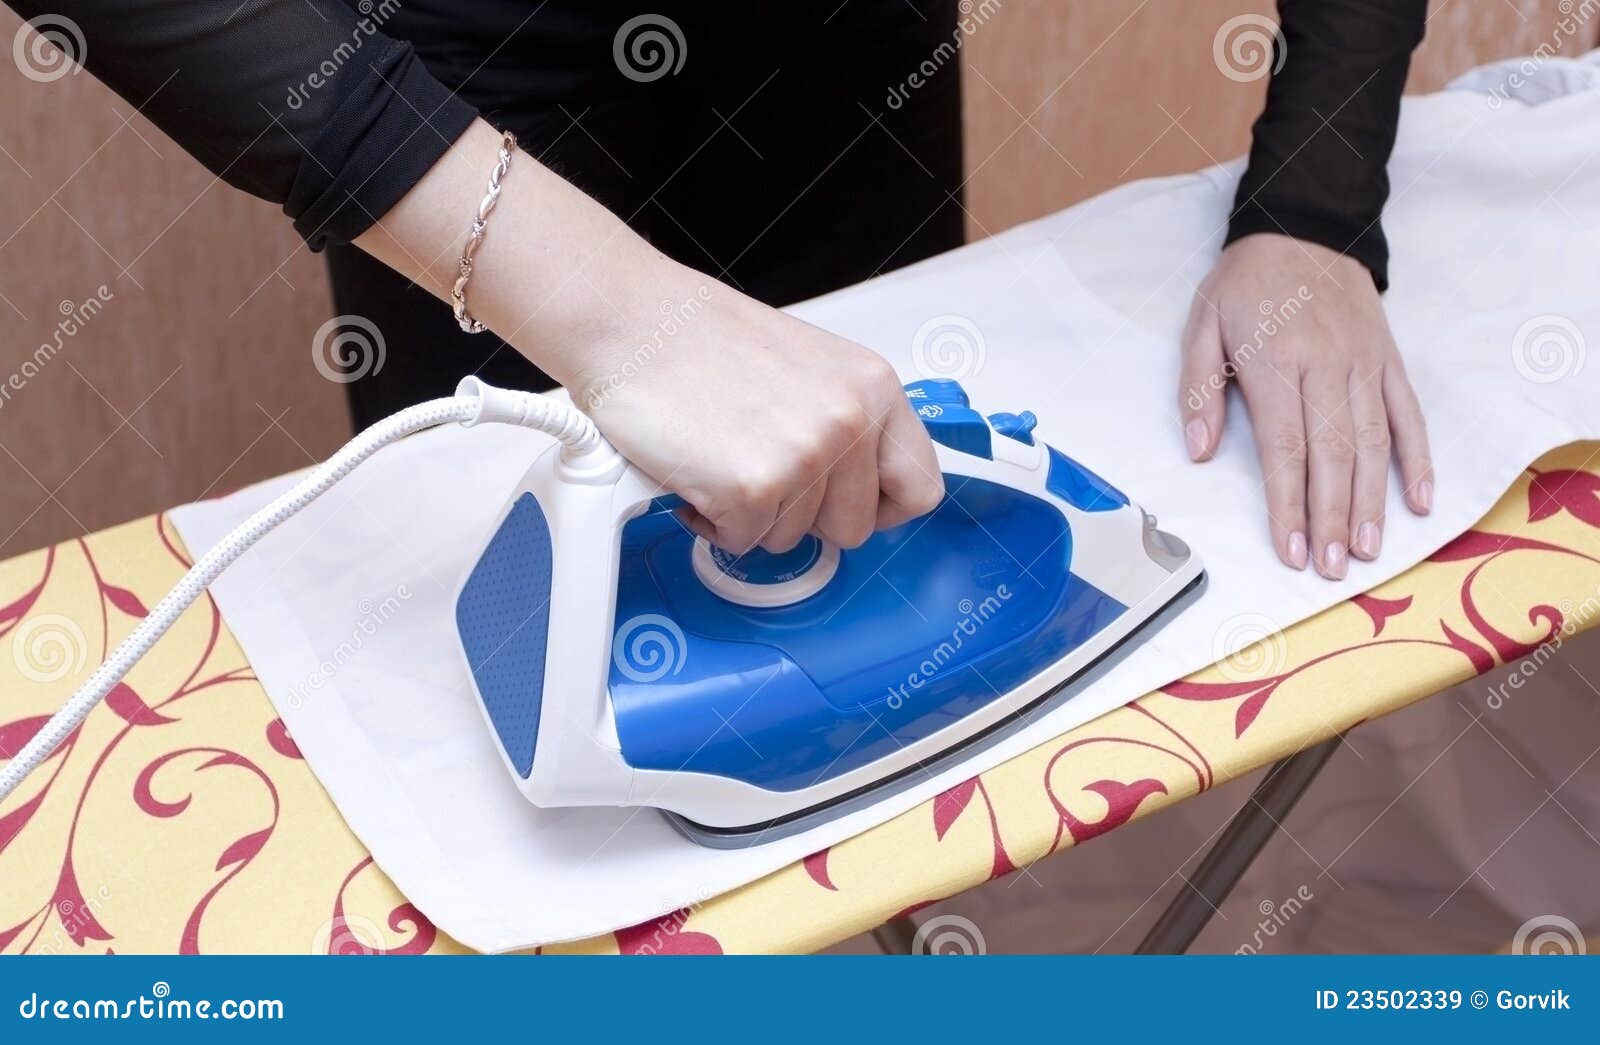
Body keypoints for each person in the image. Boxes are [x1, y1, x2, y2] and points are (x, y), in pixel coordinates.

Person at [8, 0, 1431, 575]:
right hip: (450, 59)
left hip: (835, 37)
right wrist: (617, 317)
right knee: (519, 565)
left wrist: (1313, 201)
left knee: (864, 507)